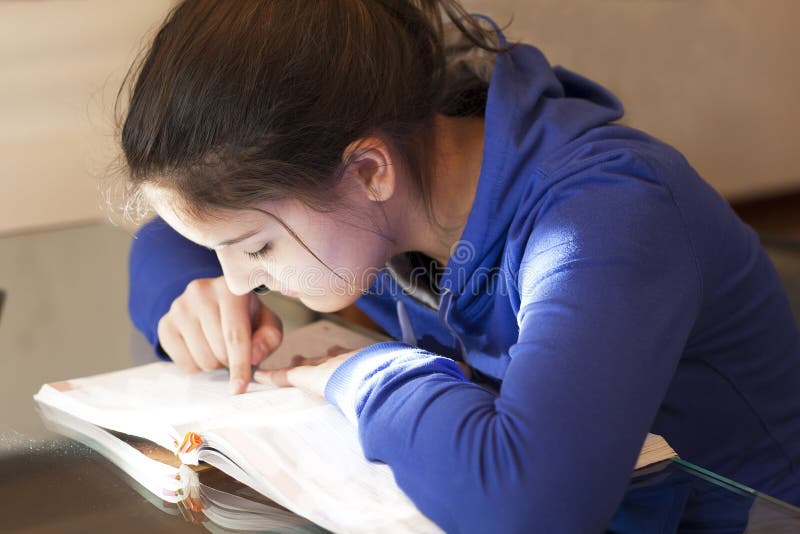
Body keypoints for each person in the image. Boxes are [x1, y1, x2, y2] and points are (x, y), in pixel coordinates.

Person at [120, 1, 800, 531]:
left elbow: (530, 507)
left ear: (367, 170)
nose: (238, 276)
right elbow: (166, 237)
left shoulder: (603, 219)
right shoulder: (395, 189)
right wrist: (186, 293)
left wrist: (359, 375)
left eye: (258, 248)